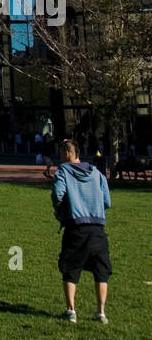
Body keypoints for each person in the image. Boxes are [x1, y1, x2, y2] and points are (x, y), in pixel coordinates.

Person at [51, 138, 112, 323]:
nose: (60, 156)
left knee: (70, 267)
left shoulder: (63, 171)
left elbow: (57, 194)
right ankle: (101, 312)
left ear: (68, 153)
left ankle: (71, 310)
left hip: (75, 227)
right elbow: (107, 201)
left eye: (62, 152)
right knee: (101, 271)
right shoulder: (96, 172)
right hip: (97, 228)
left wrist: (58, 209)